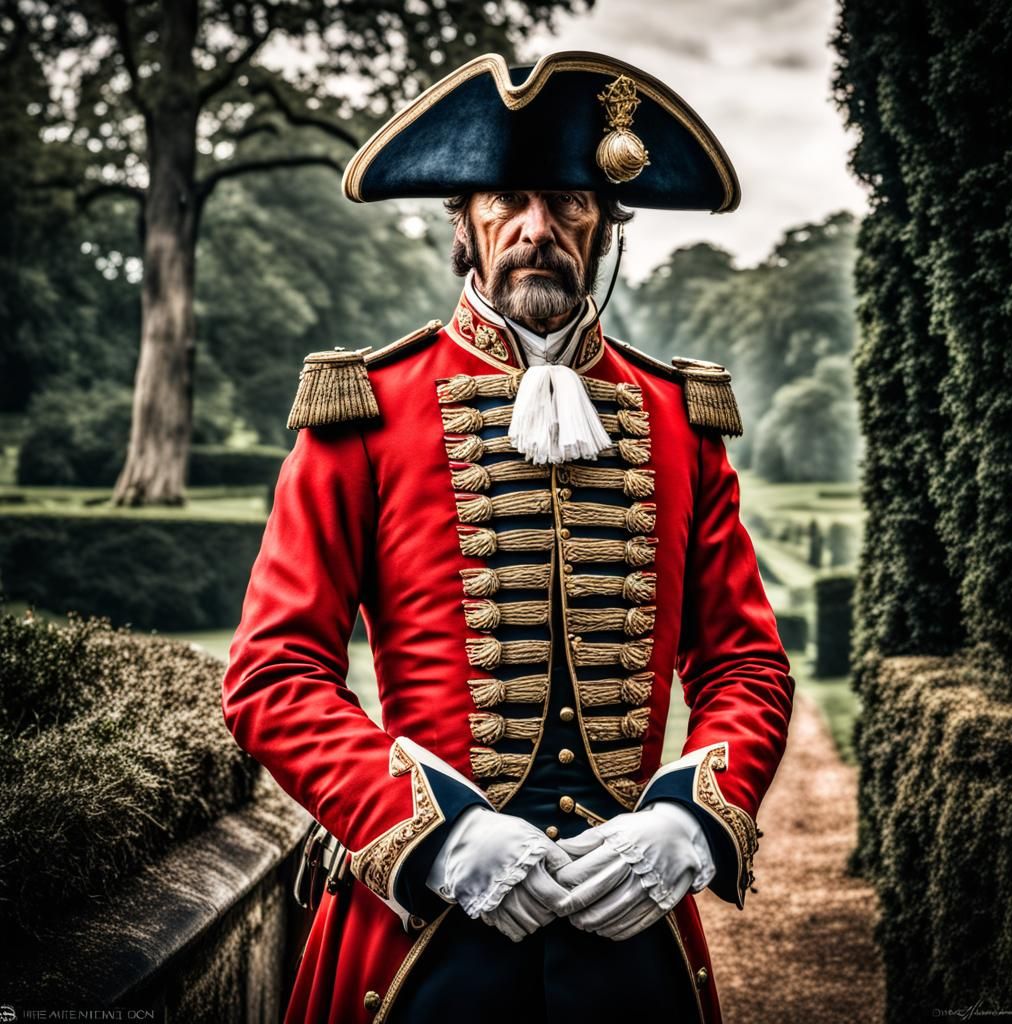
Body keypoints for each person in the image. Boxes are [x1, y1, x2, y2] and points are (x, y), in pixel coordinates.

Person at [221, 50, 795, 1024]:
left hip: (630, 934)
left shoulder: (675, 418)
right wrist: (430, 834)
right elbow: (273, 674)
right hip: (421, 935)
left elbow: (745, 663)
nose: (537, 228)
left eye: (568, 201)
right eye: (507, 199)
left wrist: (684, 822)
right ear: (464, 224)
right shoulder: (366, 409)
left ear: (604, 223)